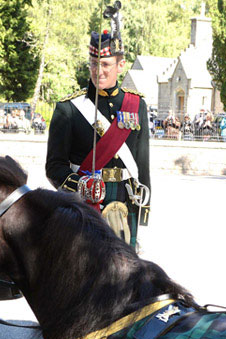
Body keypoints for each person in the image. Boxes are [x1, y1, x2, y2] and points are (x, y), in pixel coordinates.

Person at [45, 15, 151, 250]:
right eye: (93, 63)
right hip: (83, 204)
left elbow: (142, 163)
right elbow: (54, 167)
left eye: (105, 64)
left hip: (124, 203)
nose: (98, 71)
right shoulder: (69, 108)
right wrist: (80, 185)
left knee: (124, 276)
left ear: (120, 65)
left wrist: (144, 210)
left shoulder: (137, 105)